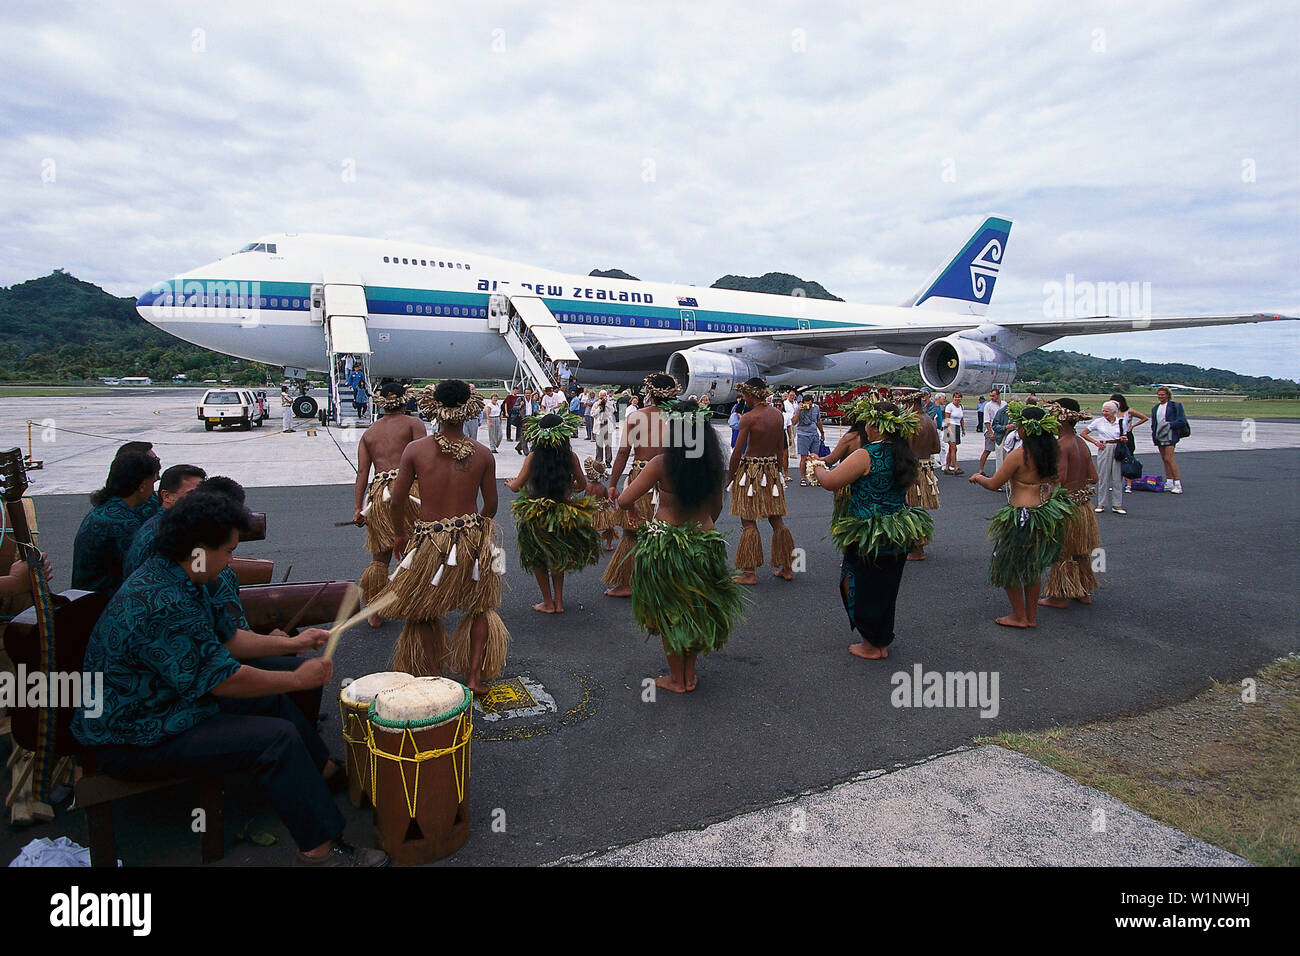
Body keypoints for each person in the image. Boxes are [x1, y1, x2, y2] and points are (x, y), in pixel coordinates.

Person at [72, 491, 386, 867]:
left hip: (160, 701)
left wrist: (295, 645)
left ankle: (322, 774)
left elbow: (227, 639)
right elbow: (223, 681)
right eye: (229, 551)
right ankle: (319, 849)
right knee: (275, 738)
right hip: (133, 734)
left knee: (273, 697)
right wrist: (298, 679)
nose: (232, 560)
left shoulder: (177, 572)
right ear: (200, 549)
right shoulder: (161, 600)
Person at [379, 381, 507, 695]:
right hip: (471, 538)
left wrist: (399, 534)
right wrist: (476, 527)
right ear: (470, 410)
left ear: (434, 408)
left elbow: (397, 501)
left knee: (421, 608)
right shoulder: (481, 454)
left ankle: (436, 676)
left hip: (429, 540)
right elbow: (491, 505)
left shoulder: (416, 450)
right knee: (479, 608)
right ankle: (474, 679)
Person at [619, 399, 745, 693]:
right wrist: (701, 525)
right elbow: (716, 508)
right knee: (695, 608)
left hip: (667, 545)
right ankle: (689, 674)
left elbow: (625, 499)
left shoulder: (662, 463)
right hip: (704, 542)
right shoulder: (712, 463)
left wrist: (634, 512)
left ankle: (677, 680)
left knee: (670, 613)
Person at [808, 401, 931, 660]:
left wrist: (816, 466)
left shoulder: (867, 454)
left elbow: (830, 482)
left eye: (869, 422)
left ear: (876, 427)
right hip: (898, 529)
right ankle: (880, 639)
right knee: (887, 587)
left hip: (868, 533)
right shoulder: (903, 453)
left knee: (860, 583)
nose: (866, 426)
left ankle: (871, 644)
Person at [969, 403, 1072, 628]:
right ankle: (1030, 616)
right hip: (1042, 515)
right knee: (1032, 567)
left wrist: (978, 477)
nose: (1016, 428)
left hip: (1021, 518)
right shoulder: (1051, 453)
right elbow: (1057, 482)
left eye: (1019, 425)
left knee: (1007, 565)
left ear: (1026, 429)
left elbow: (995, 483)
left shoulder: (1019, 455)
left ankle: (1018, 615)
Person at [505, 413, 601, 613]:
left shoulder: (534, 457)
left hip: (537, 514)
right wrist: (568, 488)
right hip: (563, 512)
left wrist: (510, 483)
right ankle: (558, 601)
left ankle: (547, 602)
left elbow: (516, 487)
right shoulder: (570, 456)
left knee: (539, 557)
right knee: (557, 555)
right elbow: (582, 485)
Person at [354, 382, 427, 625]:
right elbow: (424, 462)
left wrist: (358, 508)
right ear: (405, 400)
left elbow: (362, 472)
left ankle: (374, 611)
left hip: (378, 495)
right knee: (417, 548)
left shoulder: (369, 433)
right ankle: (416, 602)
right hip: (409, 491)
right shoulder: (413, 424)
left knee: (380, 556)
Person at [603, 373, 680, 597]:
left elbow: (623, 452)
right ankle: (665, 581)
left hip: (641, 476)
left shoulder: (636, 417)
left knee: (631, 532)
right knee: (670, 530)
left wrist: (612, 484)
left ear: (649, 393)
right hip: (672, 476)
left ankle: (626, 584)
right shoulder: (680, 417)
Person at [727, 378, 796, 584]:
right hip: (772, 470)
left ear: (752, 395)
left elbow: (737, 452)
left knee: (748, 521)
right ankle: (787, 567)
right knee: (777, 520)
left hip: (751, 471)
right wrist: (780, 472)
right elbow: (779, 448)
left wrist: (730, 476)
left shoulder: (749, 417)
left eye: (746, 395)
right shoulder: (777, 415)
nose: (744, 399)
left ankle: (749, 573)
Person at [1039, 400, 1102, 608]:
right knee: (1081, 550)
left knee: (1062, 550)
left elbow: (1059, 478)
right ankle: (1083, 592)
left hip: (1066, 507)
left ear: (1061, 418)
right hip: (1083, 507)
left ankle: (1059, 596)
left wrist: (1044, 494)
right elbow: (1094, 477)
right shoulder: (1081, 443)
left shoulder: (1061, 445)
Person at [71, 451, 160, 596]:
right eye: (152, 482)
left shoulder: (109, 508)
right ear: (142, 485)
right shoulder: (120, 522)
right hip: (100, 603)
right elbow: (145, 568)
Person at [124, 463, 207, 577]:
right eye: (192, 493)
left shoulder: (163, 523)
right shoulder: (172, 532)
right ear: (167, 496)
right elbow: (201, 572)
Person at [899, 391, 940, 561]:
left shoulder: (912, 422)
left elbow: (905, 450)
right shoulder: (929, 421)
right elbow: (936, 449)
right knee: (917, 508)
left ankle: (917, 549)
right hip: (926, 468)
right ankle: (916, 546)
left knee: (911, 508)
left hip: (912, 471)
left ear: (910, 404)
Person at [1080, 401, 1127, 515]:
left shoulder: (1121, 422)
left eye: (1107, 411)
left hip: (1117, 447)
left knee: (1117, 477)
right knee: (1103, 476)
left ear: (1114, 412)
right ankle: (1101, 503)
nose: (1104, 413)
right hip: (1104, 447)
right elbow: (1084, 433)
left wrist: (1124, 439)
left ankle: (1117, 504)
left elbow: (1125, 435)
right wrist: (1096, 442)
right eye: (1103, 410)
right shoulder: (1098, 422)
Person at [1150, 386, 1188, 494]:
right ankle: (1169, 482)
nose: (1160, 396)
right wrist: (1155, 434)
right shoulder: (1155, 408)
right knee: (1164, 459)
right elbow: (1154, 423)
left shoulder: (1175, 406)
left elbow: (1182, 420)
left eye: (1162, 394)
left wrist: (1169, 425)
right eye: (1159, 394)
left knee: (1169, 458)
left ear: (1167, 395)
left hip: (1170, 435)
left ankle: (1177, 483)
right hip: (1159, 435)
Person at [1109, 393, 1149, 493]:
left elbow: (1144, 418)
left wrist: (1133, 426)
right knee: (1116, 460)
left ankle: (1129, 484)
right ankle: (1116, 483)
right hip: (1116, 437)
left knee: (1128, 459)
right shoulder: (1112, 413)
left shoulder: (1129, 411)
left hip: (1127, 437)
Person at [116, 441, 163, 520]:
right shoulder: (119, 516)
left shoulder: (147, 496)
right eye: (154, 462)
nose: (159, 466)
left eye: (157, 460)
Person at [584, 457, 619, 551]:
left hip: (590, 512)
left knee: (589, 529)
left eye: (588, 473)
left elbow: (585, 498)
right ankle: (608, 545)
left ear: (592, 475)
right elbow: (608, 498)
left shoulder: (587, 486)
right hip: (602, 512)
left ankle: (590, 545)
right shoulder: (602, 487)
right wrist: (612, 505)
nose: (587, 474)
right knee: (610, 527)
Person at [794, 393, 825, 487]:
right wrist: (799, 411)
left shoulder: (816, 408)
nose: (808, 406)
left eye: (810, 404)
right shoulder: (798, 408)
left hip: (814, 434)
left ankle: (815, 477)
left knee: (815, 457)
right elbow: (793, 422)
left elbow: (818, 420)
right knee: (804, 458)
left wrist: (822, 433)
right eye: (807, 404)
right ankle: (803, 478)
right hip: (803, 434)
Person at [979, 388, 1006, 477]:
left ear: (998, 395)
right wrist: (990, 433)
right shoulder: (988, 405)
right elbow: (986, 420)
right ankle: (981, 469)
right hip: (991, 430)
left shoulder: (1004, 404)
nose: (992, 398)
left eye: (993, 396)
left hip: (1002, 430)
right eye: (991, 396)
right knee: (987, 450)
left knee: (1002, 451)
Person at [591, 389, 617, 466]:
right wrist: (599, 407)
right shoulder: (596, 404)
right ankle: (599, 460)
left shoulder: (609, 403)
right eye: (601, 397)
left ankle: (608, 461)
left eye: (603, 397)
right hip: (599, 426)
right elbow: (592, 414)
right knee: (599, 444)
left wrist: (606, 404)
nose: (602, 399)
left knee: (608, 444)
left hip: (607, 425)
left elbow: (612, 411)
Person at [942, 392, 965, 475]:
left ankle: (947, 467)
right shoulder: (949, 406)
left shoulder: (961, 407)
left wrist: (963, 429)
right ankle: (956, 468)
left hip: (957, 426)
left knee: (951, 449)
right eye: (956, 397)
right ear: (953, 398)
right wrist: (949, 430)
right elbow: (946, 419)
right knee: (954, 448)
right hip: (949, 426)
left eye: (959, 397)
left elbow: (961, 418)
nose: (957, 399)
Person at [782, 391, 799, 464]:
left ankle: (789, 449)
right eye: (791, 395)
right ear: (788, 396)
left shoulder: (795, 403)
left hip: (794, 421)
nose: (792, 397)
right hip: (788, 421)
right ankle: (792, 453)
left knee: (793, 436)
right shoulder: (785, 403)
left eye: (793, 396)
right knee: (791, 436)